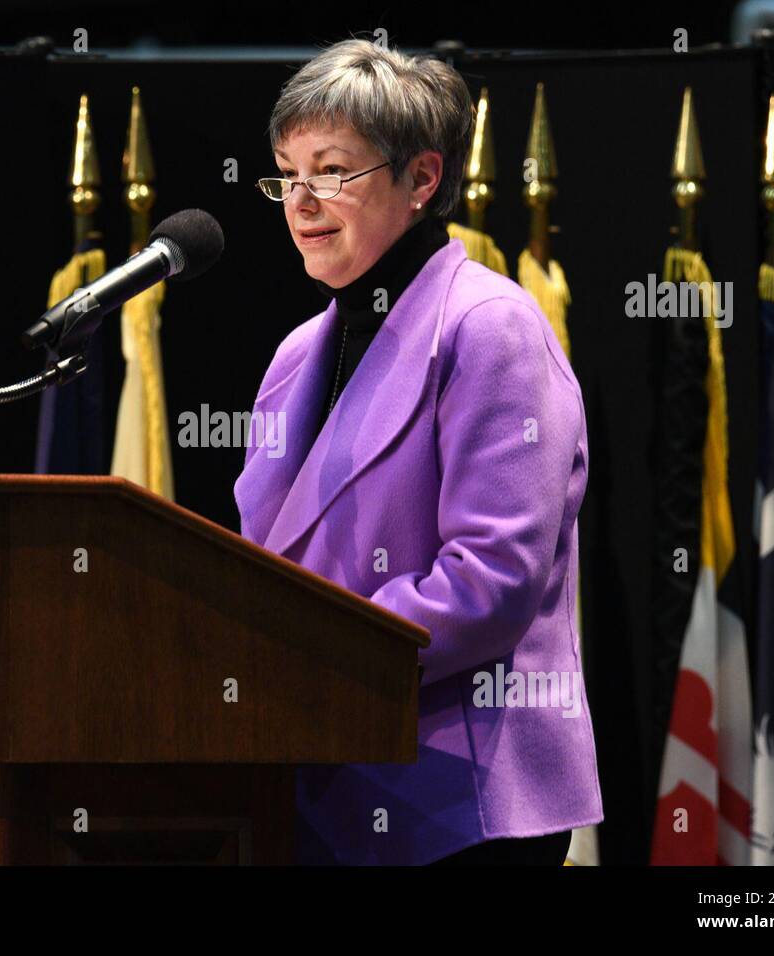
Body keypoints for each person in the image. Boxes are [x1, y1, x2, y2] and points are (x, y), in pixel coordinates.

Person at [234, 38, 603, 865]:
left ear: (423, 179)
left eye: (332, 171)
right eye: (286, 174)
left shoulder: (490, 328)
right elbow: (261, 562)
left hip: (460, 796)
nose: (301, 200)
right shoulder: (296, 353)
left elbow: (492, 578)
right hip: (319, 782)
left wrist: (311, 652)